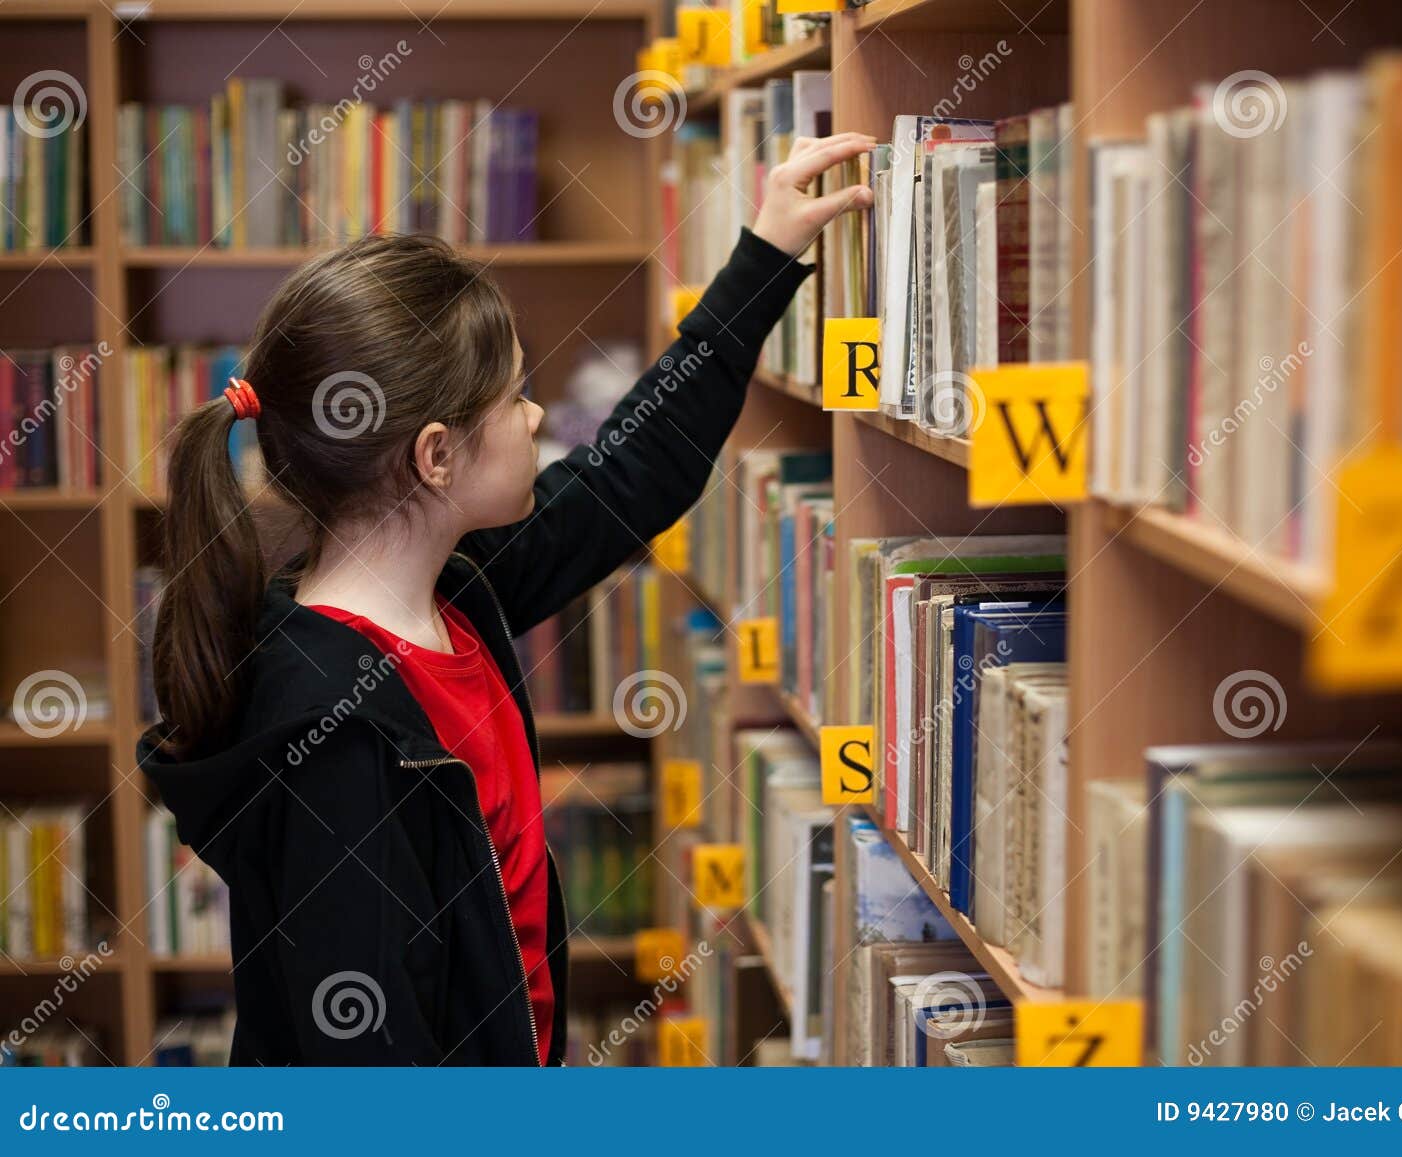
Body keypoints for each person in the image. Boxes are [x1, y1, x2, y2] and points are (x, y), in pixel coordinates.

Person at [138, 132, 876, 1065]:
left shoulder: (453, 588)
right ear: (436, 455)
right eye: (516, 397)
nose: (537, 417)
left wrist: (761, 260)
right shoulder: (338, 737)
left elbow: (624, 478)